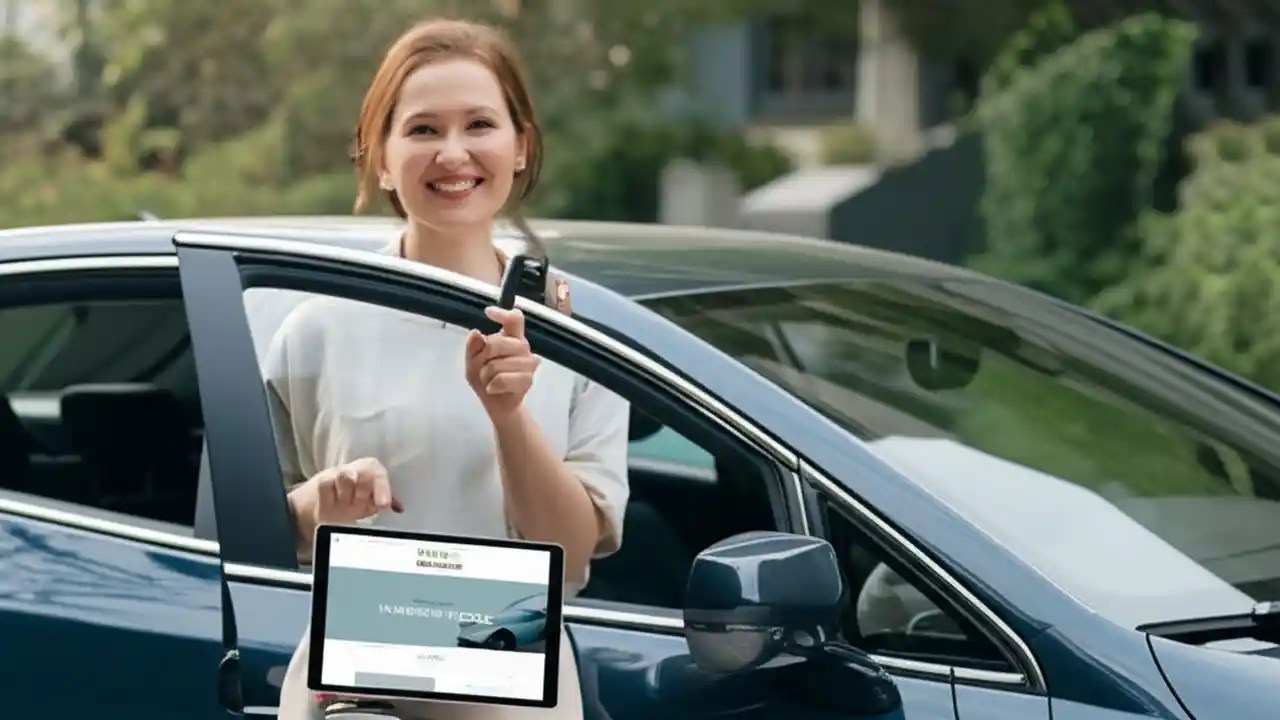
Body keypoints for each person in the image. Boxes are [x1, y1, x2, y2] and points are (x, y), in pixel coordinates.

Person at [267, 17, 631, 720]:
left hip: (511, 690)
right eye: (424, 130)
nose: (453, 153)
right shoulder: (315, 329)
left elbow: (572, 554)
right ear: (378, 157)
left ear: (521, 148)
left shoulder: (574, 333)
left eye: (480, 125)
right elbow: (258, 539)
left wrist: (508, 415)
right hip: (355, 695)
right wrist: (321, 504)